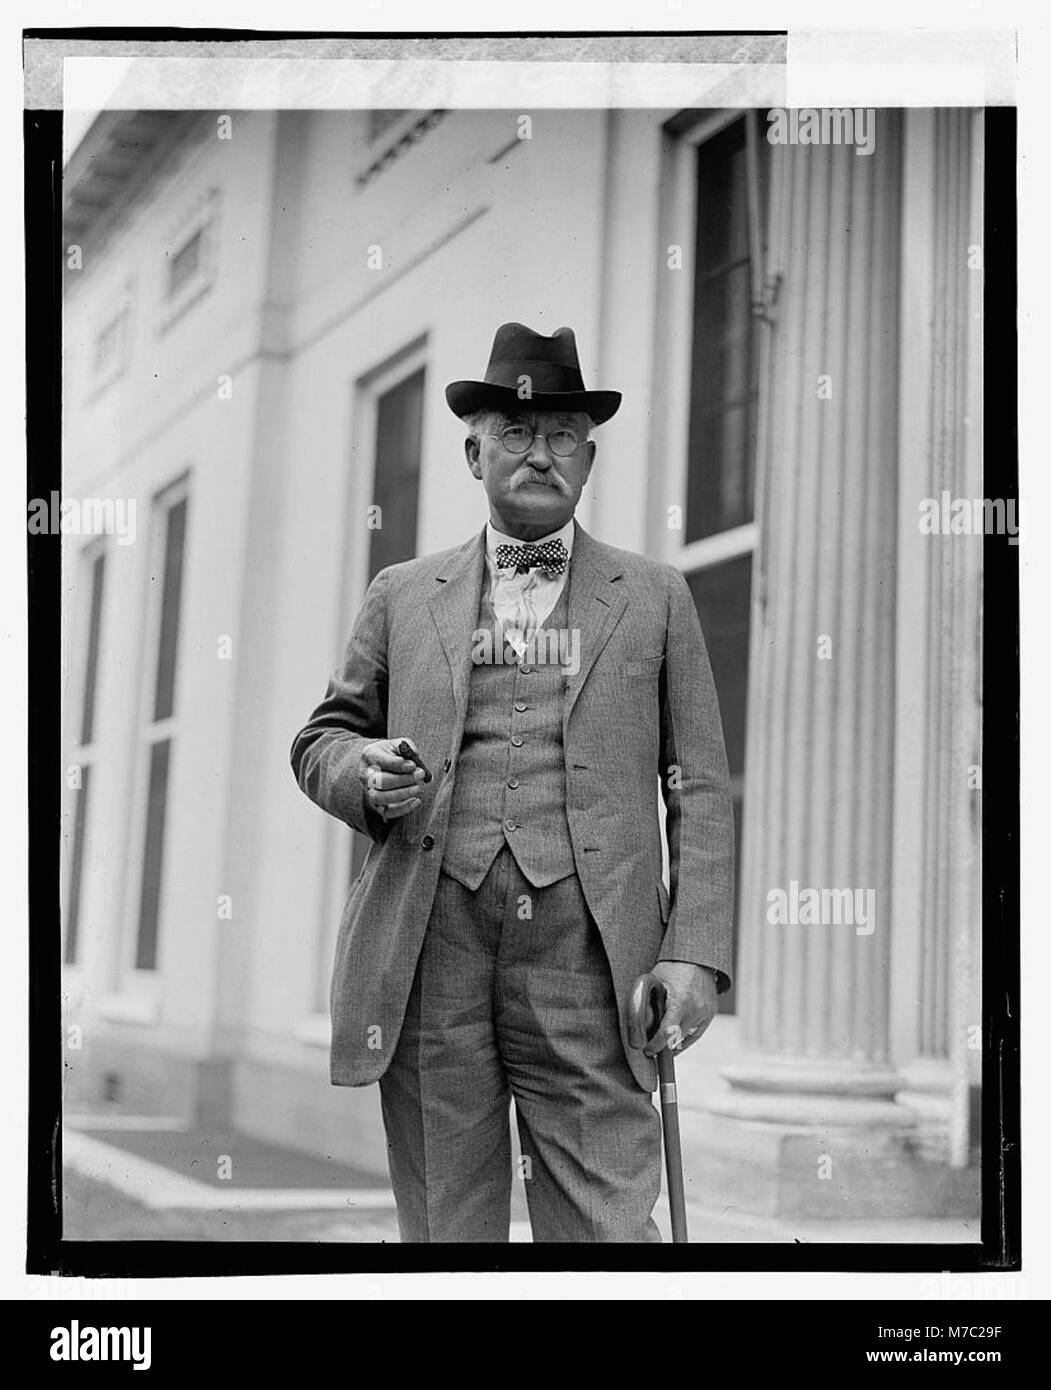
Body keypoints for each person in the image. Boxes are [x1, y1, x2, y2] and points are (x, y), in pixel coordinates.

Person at [290, 322, 735, 1242]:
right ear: (473, 451)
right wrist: (360, 775)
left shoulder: (655, 596)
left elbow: (697, 786)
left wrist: (692, 951)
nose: (542, 454)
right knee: (447, 1231)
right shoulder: (401, 593)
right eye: (517, 434)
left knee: (606, 1226)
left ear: (588, 456)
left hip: (590, 957)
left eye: (563, 435)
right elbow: (321, 739)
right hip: (429, 947)